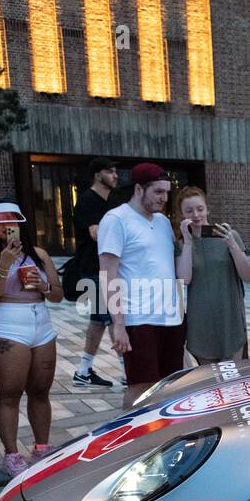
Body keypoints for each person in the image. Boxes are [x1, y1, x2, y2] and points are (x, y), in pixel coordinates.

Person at [0, 201, 63, 475]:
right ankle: (11, 454)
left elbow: (58, 295)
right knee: (10, 392)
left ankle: (41, 448)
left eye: (11, 221)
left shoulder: (38, 253)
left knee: (41, 391)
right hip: (9, 320)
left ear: (21, 223)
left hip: (41, 319)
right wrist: (5, 264)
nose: (6, 226)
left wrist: (43, 285)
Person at [97, 162, 181, 408]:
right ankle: (131, 441)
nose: (164, 198)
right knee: (140, 387)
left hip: (171, 318)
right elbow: (108, 274)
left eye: (166, 192)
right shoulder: (116, 220)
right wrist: (118, 324)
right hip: (138, 319)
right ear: (138, 189)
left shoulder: (163, 222)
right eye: (158, 192)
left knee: (170, 385)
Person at [174, 186, 250, 365]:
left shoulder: (229, 236)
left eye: (200, 209)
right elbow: (185, 279)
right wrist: (187, 242)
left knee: (233, 378)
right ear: (181, 215)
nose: (196, 214)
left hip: (230, 316)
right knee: (209, 382)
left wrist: (232, 245)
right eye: (189, 211)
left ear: (207, 209)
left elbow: (248, 276)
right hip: (201, 319)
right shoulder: (182, 244)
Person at [70, 156, 117, 388]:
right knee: (113, 319)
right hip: (94, 270)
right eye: (110, 171)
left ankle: (83, 370)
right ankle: (130, 371)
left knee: (98, 322)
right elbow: (95, 233)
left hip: (98, 271)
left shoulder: (107, 201)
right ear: (98, 174)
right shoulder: (89, 200)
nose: (115, 175)